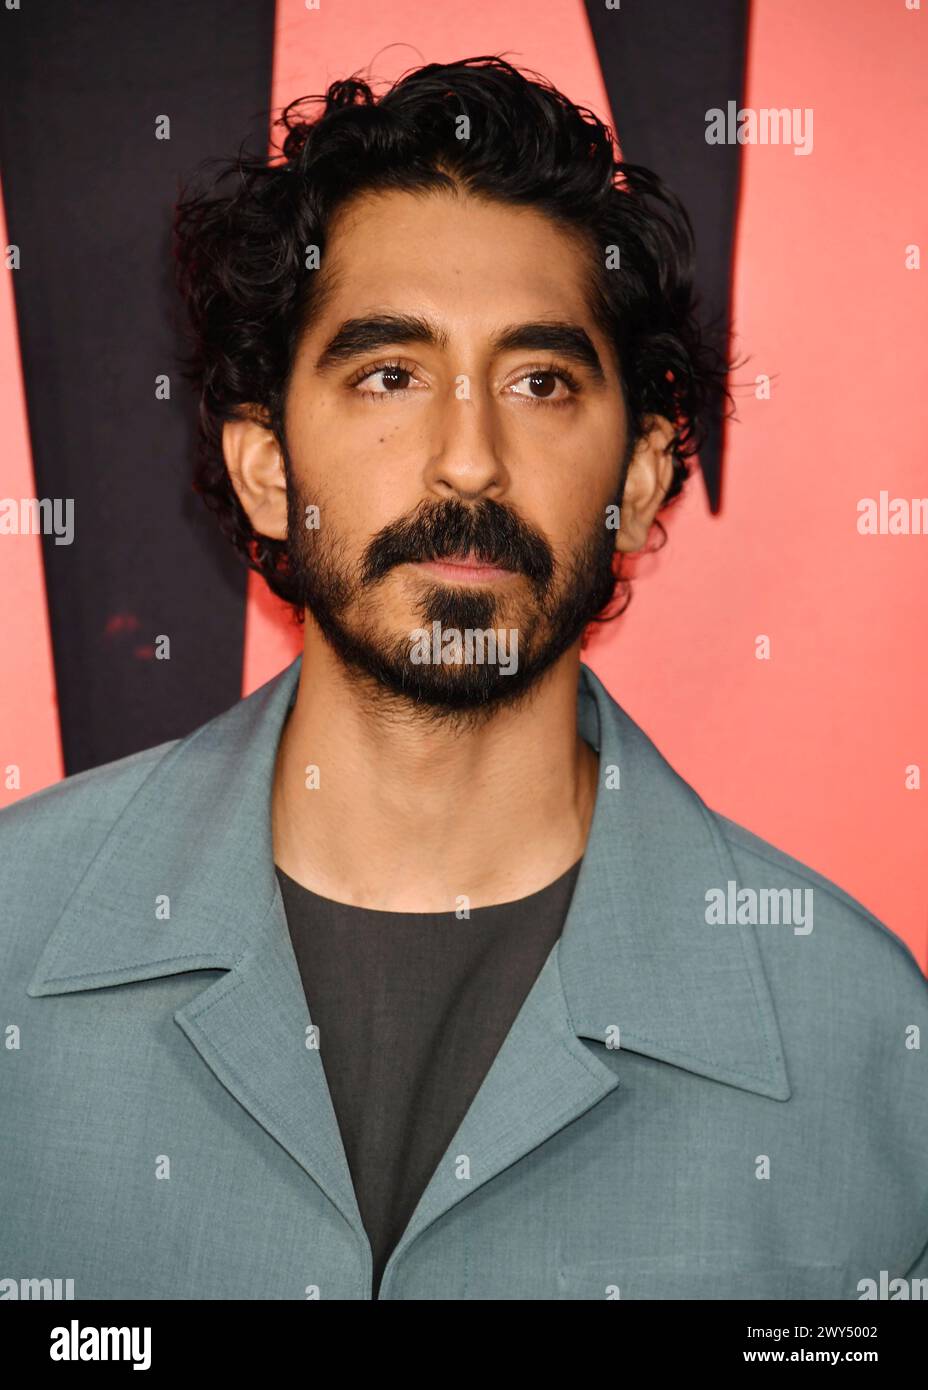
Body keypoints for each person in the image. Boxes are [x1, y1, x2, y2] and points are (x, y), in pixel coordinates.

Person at [1, 57, 926, 1302]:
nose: (467, 458)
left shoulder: (866, 1043)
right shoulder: (16, 931)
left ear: (640, 481)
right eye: (388, 374)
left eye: (540, 383)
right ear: (269, 466)